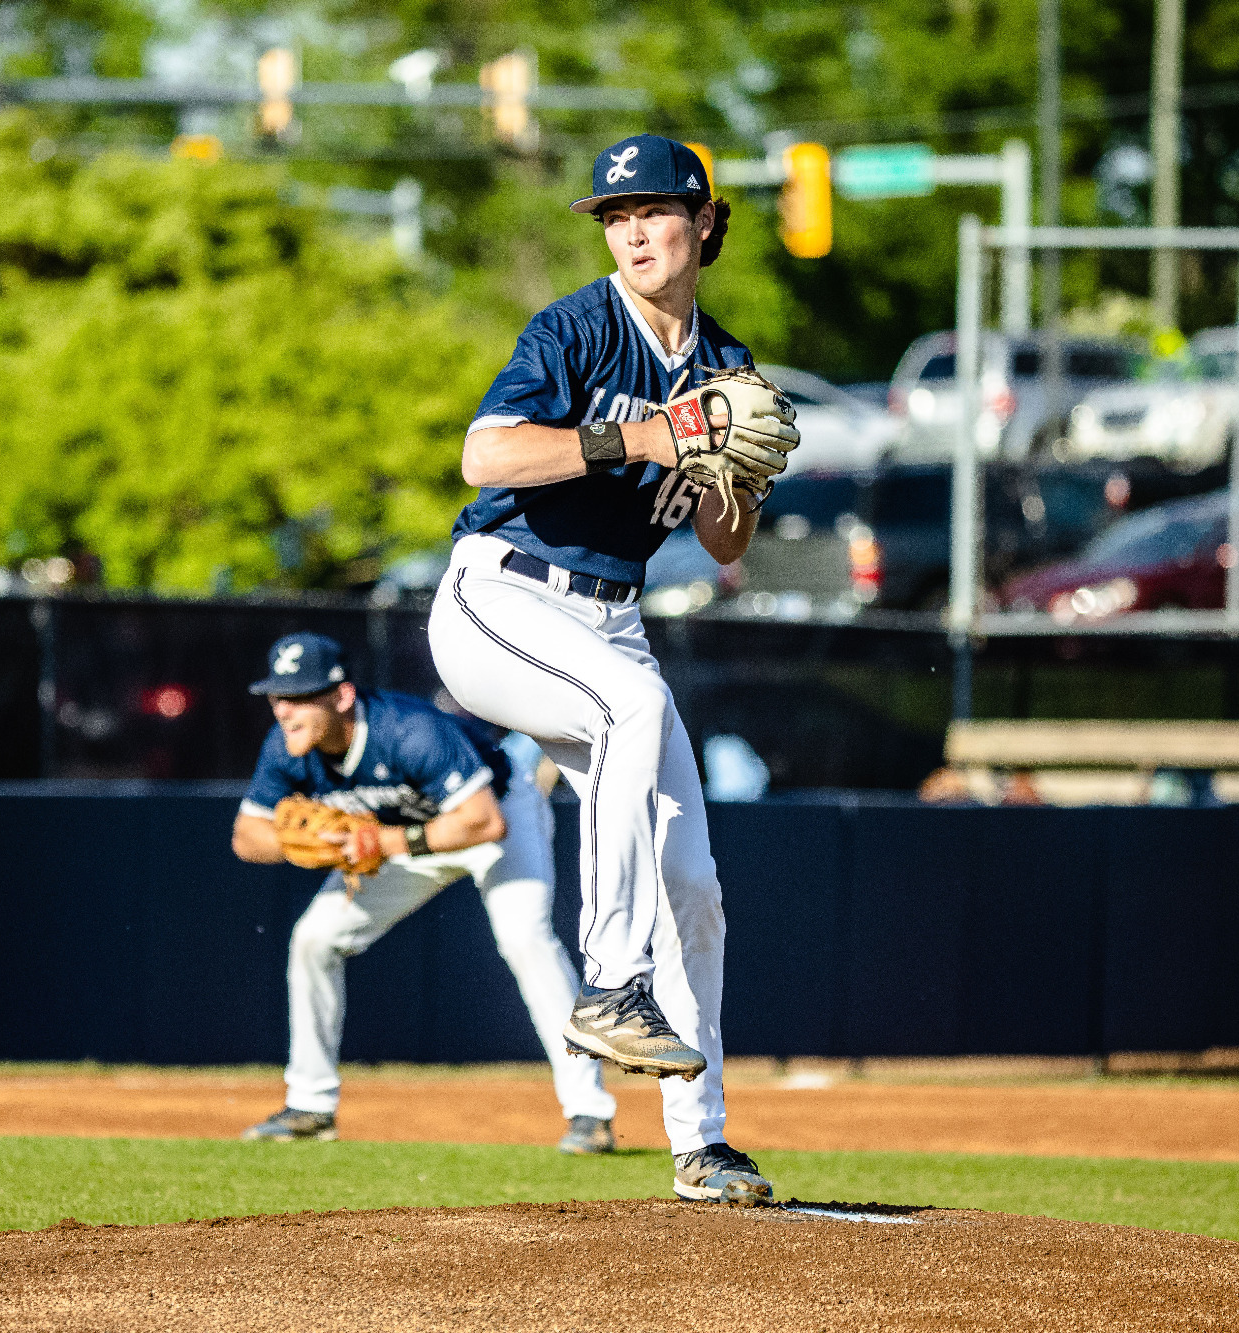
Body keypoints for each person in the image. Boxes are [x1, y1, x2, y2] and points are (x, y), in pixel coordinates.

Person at [426, 135, 796, 1204]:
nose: (632, 233)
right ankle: (611, 982)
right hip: (500, 595)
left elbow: (723, 542)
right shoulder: (576, 328)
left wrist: (734, 475)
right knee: (630, 704)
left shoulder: (727, 367)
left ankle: (702, 1144)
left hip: (611, 619)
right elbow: (485, 455)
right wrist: (641, 439)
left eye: (653, 211)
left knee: (696, 887)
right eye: (615, 216)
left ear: (703, 223)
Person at [232, 632, 617, 1152]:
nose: (284, 710)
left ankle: (589, 1112)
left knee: (525, 940)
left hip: (498, 817)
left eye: (300, 697)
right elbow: (246, 837)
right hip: (403, 839)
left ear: (342, 696)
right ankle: (310, 1105)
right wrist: (317, 845)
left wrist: (383, 842)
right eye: (277, 697)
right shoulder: (286, 745)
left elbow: (484, 821)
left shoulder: (408, 731)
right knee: (314, 939)